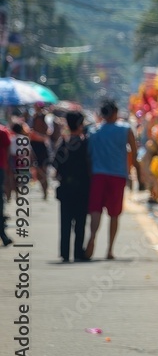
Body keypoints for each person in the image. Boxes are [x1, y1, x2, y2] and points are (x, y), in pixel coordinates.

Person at [85, 100, 138, 260]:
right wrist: (137, 175)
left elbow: (88, 155)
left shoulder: (93, 131)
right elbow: (134, 153)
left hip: (98, 175)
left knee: (96, 210)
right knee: (114, 214)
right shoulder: (125, 129)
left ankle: (92, 237)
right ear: (115, 113)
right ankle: (109, 250)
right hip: (117, 176)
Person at [53, 111, 90, 262]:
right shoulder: (85, 143)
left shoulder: (64, 143)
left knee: (65, 221)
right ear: (80, 125)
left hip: (66, 188)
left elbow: (56, 164)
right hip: (82, 188)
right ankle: (78, 253)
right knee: (80, 222)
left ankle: (64, 252)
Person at [29, 110, 50, 200]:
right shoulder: (33, 128)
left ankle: (45, 192)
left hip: (41, 151)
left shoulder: (44, 129)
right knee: (37, 173)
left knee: (43, 172)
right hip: (35, 149)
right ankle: (44, 191)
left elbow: (45, 137)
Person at [0, 122, 12, 247]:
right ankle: (2, 234)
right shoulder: (3, 131)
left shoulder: (3, 131)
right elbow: (8, 149)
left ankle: (2, 234)